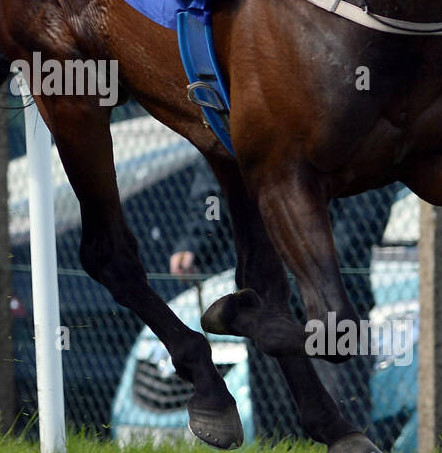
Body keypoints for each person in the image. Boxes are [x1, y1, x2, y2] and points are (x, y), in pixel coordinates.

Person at [169, 157, 398, 437]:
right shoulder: (237, 121)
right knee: (276, 422)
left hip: (336, 296)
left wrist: (316, 263)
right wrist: (196, 244)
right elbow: (213, 191)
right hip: (265, 298)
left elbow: (367, 203)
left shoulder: (346, 123)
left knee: (343, 410)